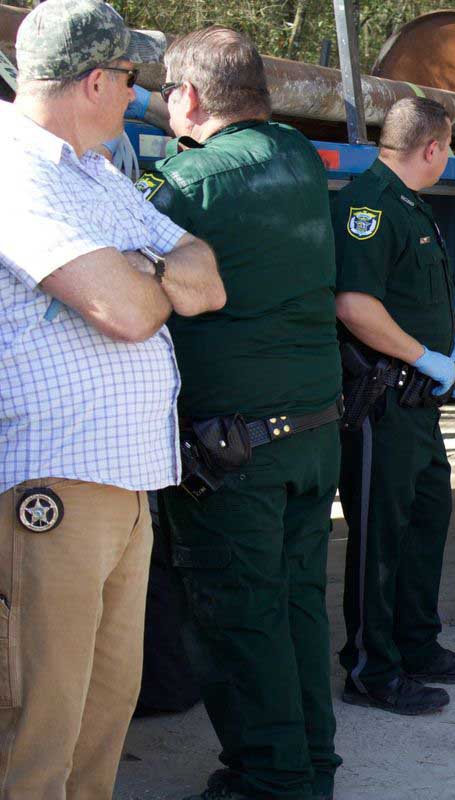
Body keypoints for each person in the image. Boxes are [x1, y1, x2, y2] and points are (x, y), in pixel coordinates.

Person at [0, 2, 222, 796]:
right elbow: (126, 311)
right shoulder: (13, 169)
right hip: (53, 484)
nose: (136, 96)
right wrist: (147, 276)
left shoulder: (94, 171)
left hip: (124, 481)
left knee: (105, 701)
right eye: (130, 77)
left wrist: (138, 269)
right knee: (40, 714)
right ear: (95, 78)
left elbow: (205, 272)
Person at [145, 27, 343, 800]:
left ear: (189, 97)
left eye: (167, 91)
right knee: (296, 604)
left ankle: (271, 779)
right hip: (310, 431)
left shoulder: (189, 184)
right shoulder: (295, 153)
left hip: (233, 450)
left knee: (238, 615)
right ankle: (312, 762)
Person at [330, 98, 455, 717]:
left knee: (424, 522)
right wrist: (426, 356)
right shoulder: (366, 206)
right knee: (379, 536)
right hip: (384, 401)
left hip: (420, 401)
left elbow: (414, 295)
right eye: (448, 148)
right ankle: (371, 668)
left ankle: (417, 642)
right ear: (432, 148)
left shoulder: (410, 204)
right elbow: (355, 306)